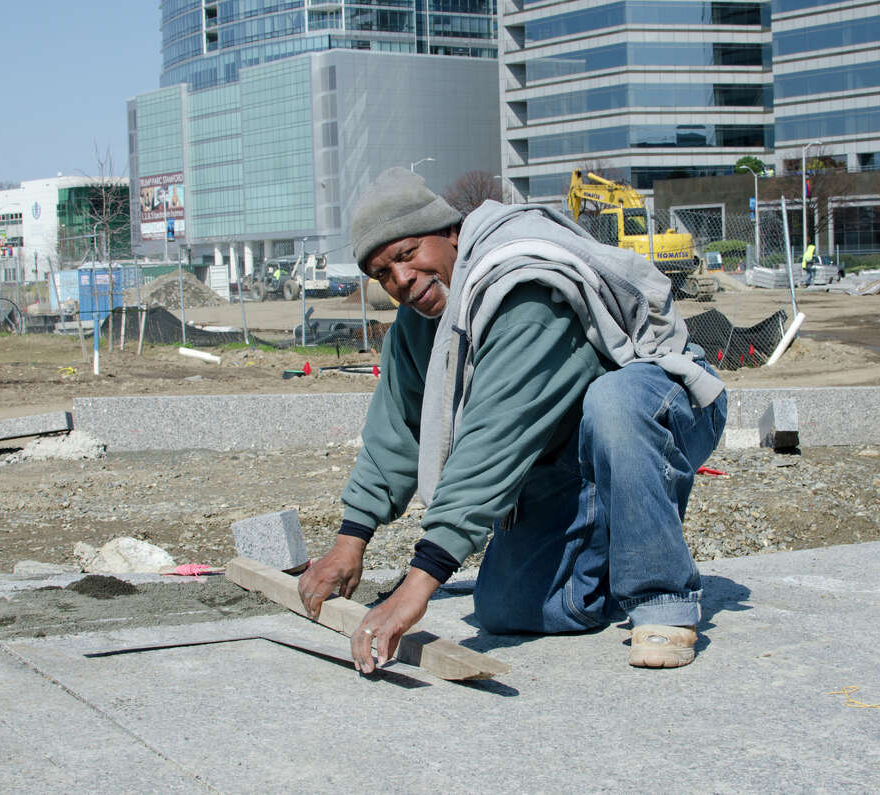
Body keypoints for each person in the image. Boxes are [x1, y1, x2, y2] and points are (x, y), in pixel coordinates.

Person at [298, 167, 727, 671]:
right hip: (570, 447)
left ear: (450, 233)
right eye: (382, 274)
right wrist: (349, 544)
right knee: (505, 609)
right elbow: (397, 432)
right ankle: (620, 540)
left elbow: (492, 436)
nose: (401, 280)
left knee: (615, 402)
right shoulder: (420, 324)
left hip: (662, 408)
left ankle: (661, 597)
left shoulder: (521, 288)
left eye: (407, 254)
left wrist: (417, 586)